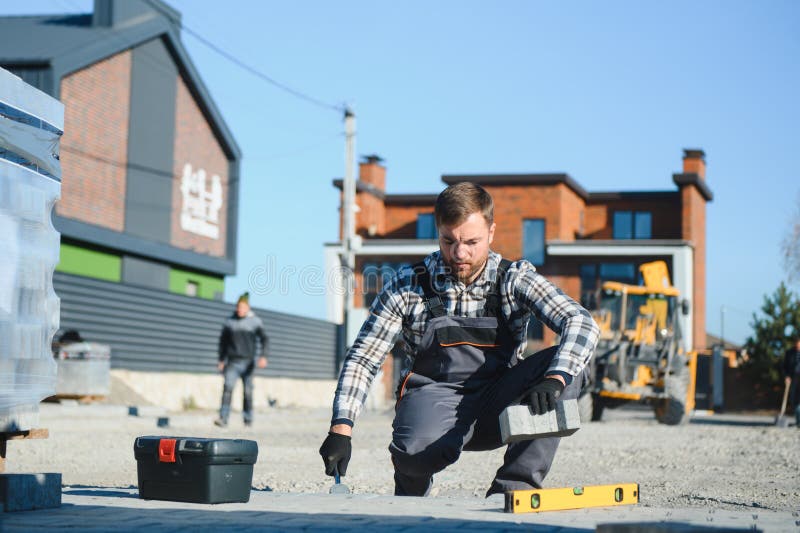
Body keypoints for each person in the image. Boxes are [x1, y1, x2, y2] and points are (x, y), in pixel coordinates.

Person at [319, 182, 600, 497]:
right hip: (435, 399)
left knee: (568, 363)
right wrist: (341, 428)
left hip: (500, 405)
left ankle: (513, 487)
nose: (459, 253)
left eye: (471, 241)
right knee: (412, 459)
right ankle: (414, 487)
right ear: (438, 232)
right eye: (448, 241)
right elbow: (363, 357)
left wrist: (555, 379)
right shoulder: (407, 285)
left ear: (491, 233)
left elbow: (580, 321)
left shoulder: (513, 279)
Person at [214, 292, 268, 427]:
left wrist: (263, 356)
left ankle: (248, 418)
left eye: (243, 307)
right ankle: (223, 418)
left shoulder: (255, 321)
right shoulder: (229, 321)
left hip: (249, 362)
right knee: (228, 388)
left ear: (248, 308)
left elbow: (264, 339)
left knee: (248, 391)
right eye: (238, 307)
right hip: (232, 362)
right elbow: (223, 342)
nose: (240, 309)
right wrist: (221, 360)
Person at [783, 337, 800, 413]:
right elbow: (784, 366)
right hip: (793, 377)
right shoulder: (789, 353)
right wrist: (786, 376)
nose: (797, 345)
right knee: (793, 398)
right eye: (796, 343)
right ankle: (797, 418)